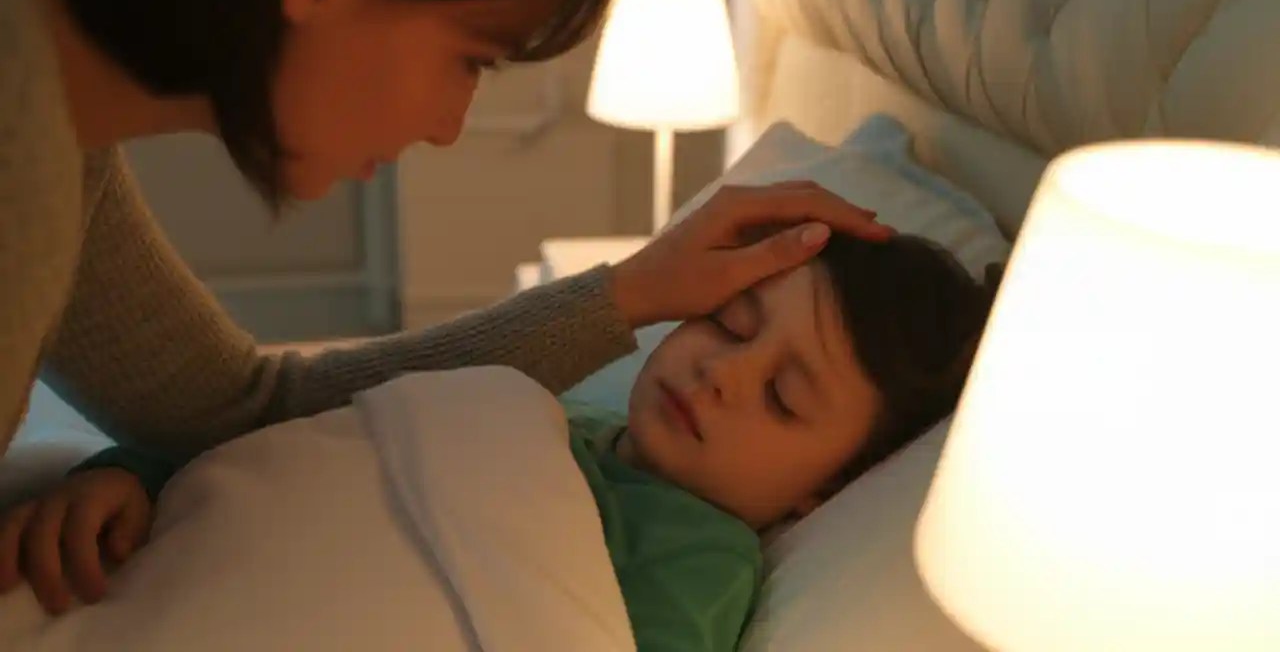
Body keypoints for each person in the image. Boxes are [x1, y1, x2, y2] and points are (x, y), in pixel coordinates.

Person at [0, 0, 895, 611]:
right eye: (471, 58)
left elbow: (238, 409)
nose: (449, 126)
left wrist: (629, 292)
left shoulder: (61, 144)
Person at [2, 232, 997, 652]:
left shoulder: (702, 560)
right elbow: (302, 439)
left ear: (817, 497)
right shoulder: (571, 428)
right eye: (728, 324)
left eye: (781, 397)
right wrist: (139, 473)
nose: (719, 372)